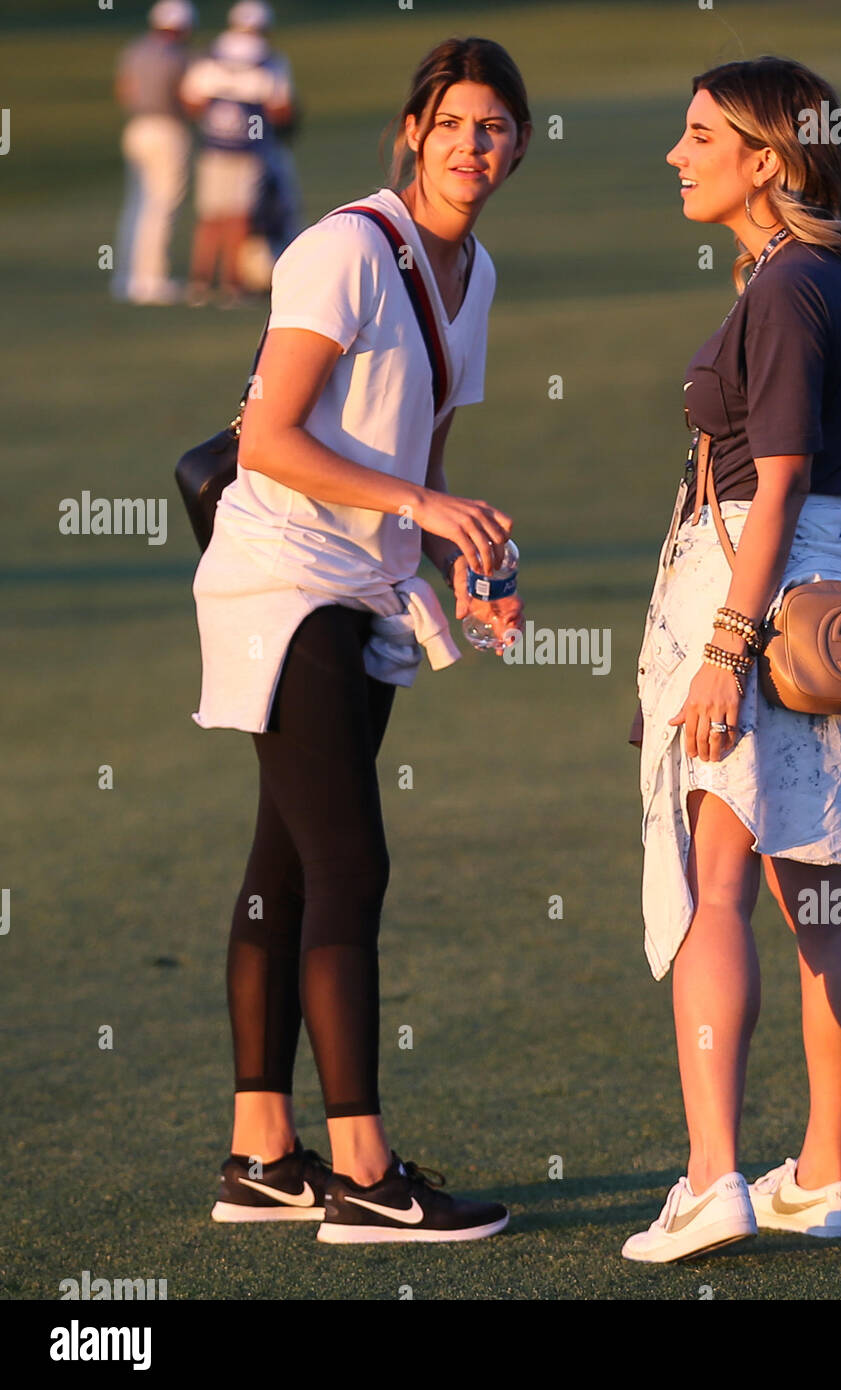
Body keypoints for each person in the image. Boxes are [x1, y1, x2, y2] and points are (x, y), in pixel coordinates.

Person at [190, 37, 531, 1242]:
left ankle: (261, 1156)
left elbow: (415, 456)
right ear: (410, 132)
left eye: (492, 127)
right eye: (450, 126)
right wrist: (423, 509)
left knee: (287, 865)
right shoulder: (343, 248)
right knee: (350, 865)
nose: (469, 147)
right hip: (285, 581)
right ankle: (366, 1174)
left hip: (364, 584)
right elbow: (271, 435)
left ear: (519, 145)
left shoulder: (472, 273)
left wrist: (464, 562)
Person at [624, 56, 841, 1263]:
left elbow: (780, 478)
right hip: (837, 605)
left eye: (700, 136)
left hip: (762, 592)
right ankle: (820, 1178)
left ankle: (713, 1181)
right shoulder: (831, 277)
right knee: (835, 890)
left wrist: (726, 650)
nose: (678, 156)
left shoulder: (791, 286)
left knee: (717, 891)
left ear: (766, 158)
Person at [179, 27, 293, 307]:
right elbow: (283, 111)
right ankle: (206, 282)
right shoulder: (219, 69)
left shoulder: (262, 70)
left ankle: (226, 283)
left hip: (243, 156)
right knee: (218, 218)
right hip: (223, 154)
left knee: (234, 219)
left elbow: (282, 109)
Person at [111, 0, 195, 306]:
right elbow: (187, 97)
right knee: (162, 206)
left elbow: (124, 90)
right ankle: (152, 280)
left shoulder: (134, 50)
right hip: (168, 129)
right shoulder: (180, 56)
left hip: (136, 128)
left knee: (137, 203)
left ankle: (127, 278)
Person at [225, 0, 303, 261]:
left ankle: (229, 276)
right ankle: (253, 272)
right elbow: (282, 108)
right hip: (263, 147)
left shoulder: (215, 55)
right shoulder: (271, 61)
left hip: (221, 145)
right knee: (266, 210)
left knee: (225, 214)